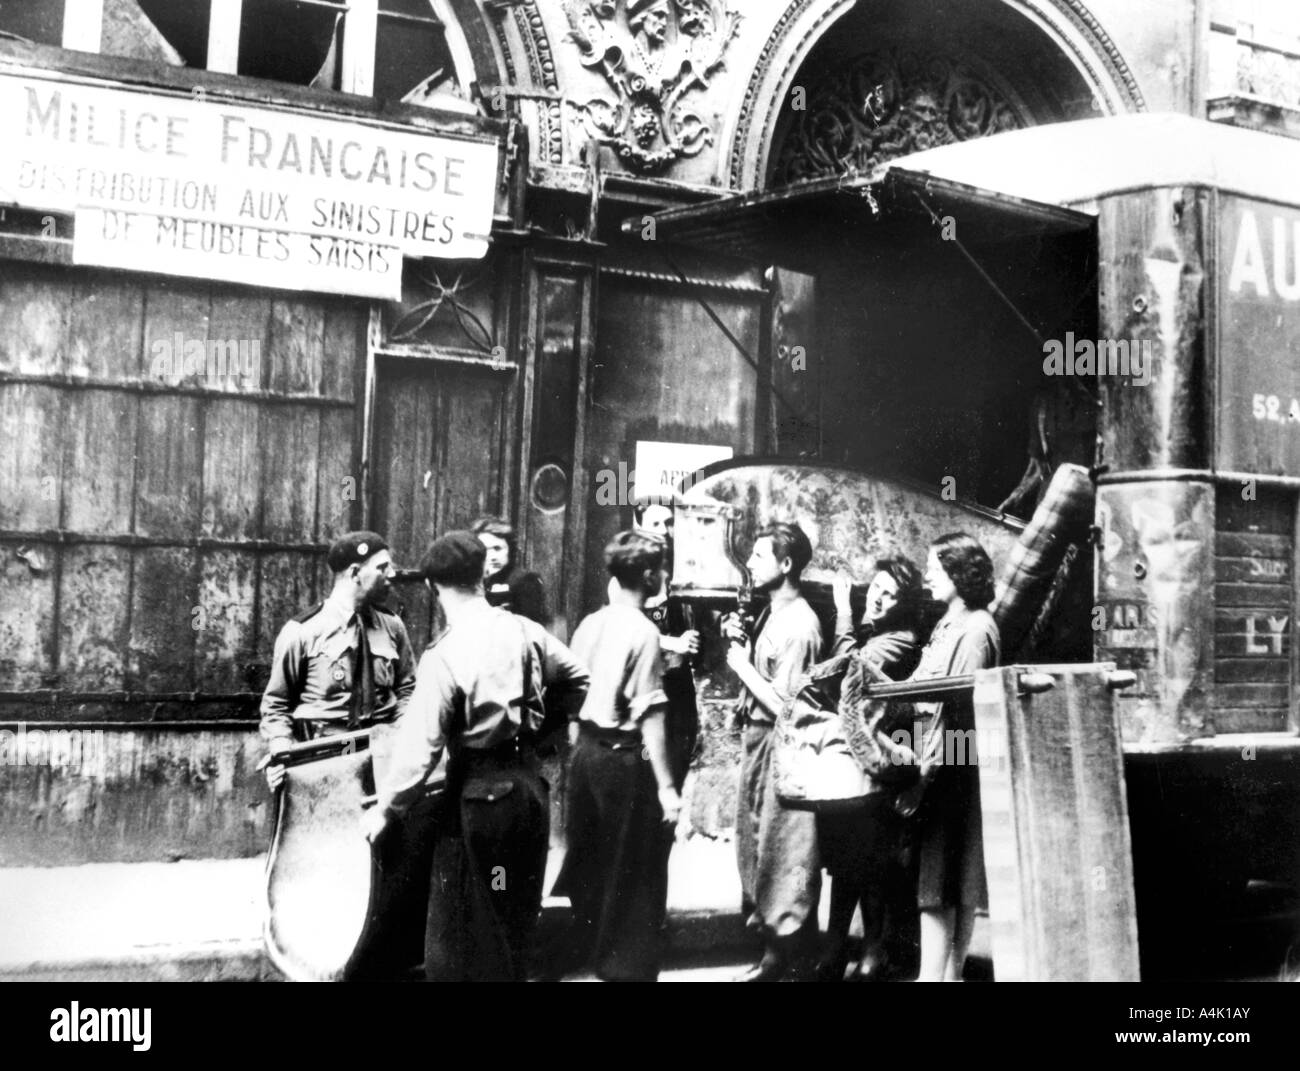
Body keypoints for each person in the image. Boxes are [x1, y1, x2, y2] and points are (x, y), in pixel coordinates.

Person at [362, 531, 589, 982]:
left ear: (432, 586)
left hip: (478, 801)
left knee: (463, 935)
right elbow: (579, 679)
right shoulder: (525, 630)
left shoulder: (444, 655)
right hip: (529, 791)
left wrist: (386, 811)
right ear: (482, 575)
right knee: (514, 921)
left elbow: (419, 752)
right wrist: (539, 733)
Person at [557, 530, 682, 981]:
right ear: (649, 575)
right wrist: (667, 788)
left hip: (586, 753)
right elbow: (650, 712)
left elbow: (572, 693)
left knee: (591, 855)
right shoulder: (645, 631)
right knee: (632, 864)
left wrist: (579, 751)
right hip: (621, 757)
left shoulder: (591, 622)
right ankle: (623, 967)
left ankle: (592, 951)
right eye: (661, 568)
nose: (664, 575)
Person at [895, 532, 1000, 982]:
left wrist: (924, 772)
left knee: (944, 881)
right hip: (947, 760)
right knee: (945, 879)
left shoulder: (976, 628)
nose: (928, 578)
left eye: (936, 569)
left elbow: (955, 710)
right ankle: (943, 977)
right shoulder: (949, 624)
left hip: (956, 765)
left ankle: (937, 977)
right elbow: (919, 689)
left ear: (959, 574)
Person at [815, 557, 926, 982]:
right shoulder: (882, 633)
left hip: (881, 762)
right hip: (865, 759)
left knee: (870, 859)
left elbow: (844, 670)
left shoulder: (898, 640)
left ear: (903, 603)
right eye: (875, 588)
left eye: (889, 593)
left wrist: (844, 610)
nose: (878, 597)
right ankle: (837, 949)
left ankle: (872, 953)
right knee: (849, 859)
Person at [723, 521, 824, 982]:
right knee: (758, 842)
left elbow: (788, 706)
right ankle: (775, 954)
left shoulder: (800, 624)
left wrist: (742, 669)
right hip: (759, 740)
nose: (749, 563)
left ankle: (785, 958)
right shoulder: (774, 612)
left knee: (782, 850)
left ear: (786, 565)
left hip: (781, 744)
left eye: (759, 557)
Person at [258, 531, 416, 783]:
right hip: (324, 756)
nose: (392, 575)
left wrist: (402, 734)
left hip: (383, 754)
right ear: (355, 573)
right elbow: (276, 704)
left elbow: (407, 688)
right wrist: (281, 751)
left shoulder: (392, 626)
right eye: (382, 568)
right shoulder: (303, 631)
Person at [633, 496, 700, 790]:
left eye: (669, 523)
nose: (663, 530)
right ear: (640, 526)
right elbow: (629, 629)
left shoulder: (680, 569)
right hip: (646, 681)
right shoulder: (629, 574)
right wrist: (674, 644)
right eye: (655, 523)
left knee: (678, 755)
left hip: (678, 683)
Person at [472, 516, 548, 625]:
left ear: (510, 549)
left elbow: (532, 626)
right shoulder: (473, 580)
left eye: (497, 548)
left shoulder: (525, 580)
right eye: (484, 549)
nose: (492, 556)